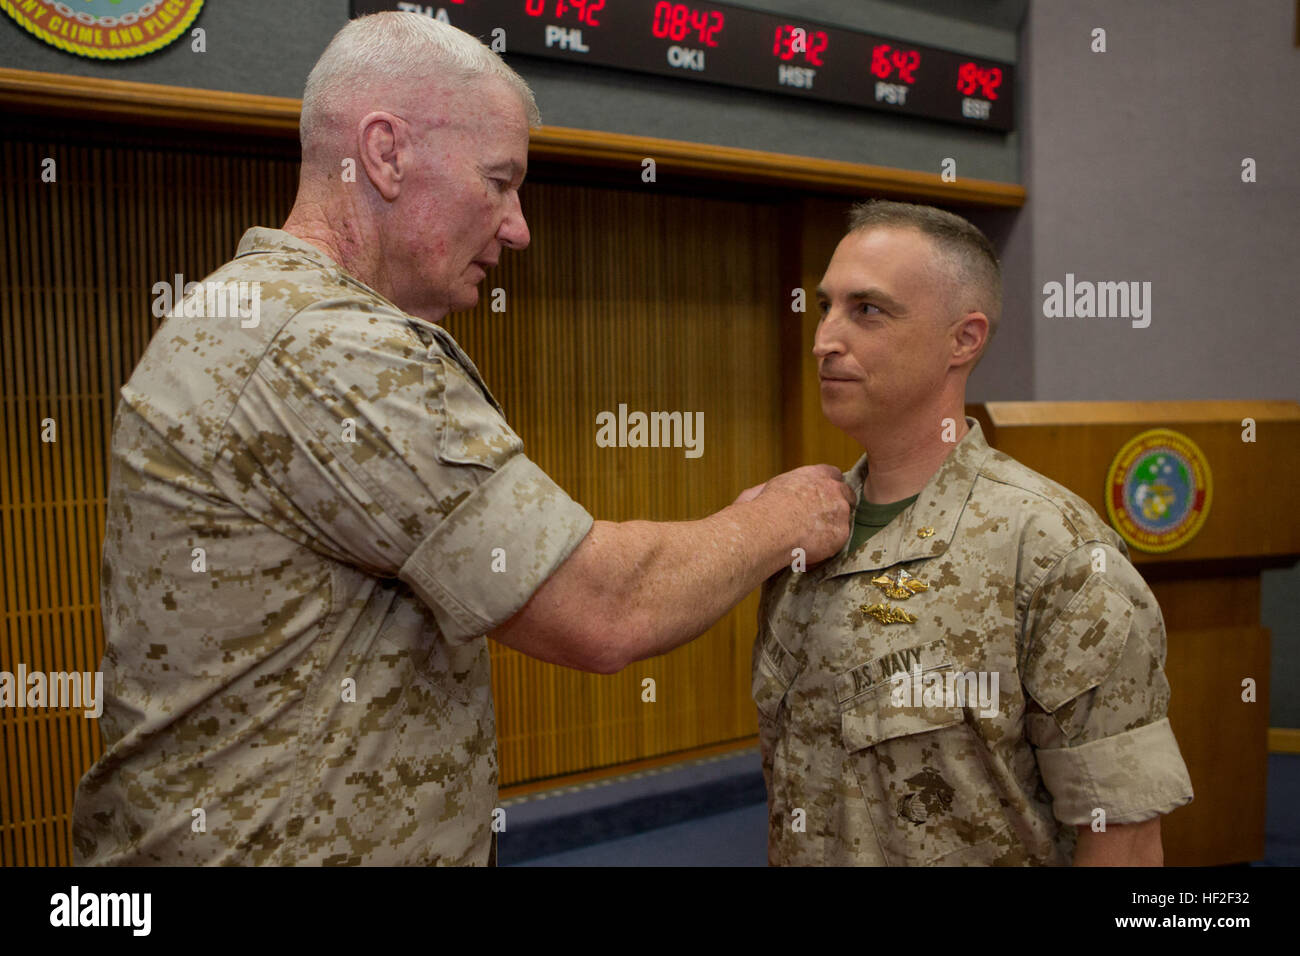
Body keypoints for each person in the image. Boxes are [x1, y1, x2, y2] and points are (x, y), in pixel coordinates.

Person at [71, 13, 852, 866]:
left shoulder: (250, 311)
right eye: (499, 181)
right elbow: (603, 609)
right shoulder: (331, 344)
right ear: (385, 153)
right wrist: (779, 518)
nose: (517, 226)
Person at [751, 199, 1194, 866]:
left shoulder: (1055, 552)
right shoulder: (803, 535)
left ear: (964, 339)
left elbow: (1124, 840)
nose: (824, 340)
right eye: (825, 307)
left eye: (867, 310)